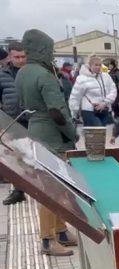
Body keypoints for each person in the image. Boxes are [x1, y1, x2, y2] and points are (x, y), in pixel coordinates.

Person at [16, 29, 79, 256]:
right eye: (50, 50)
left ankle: (61, 230)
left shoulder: (22, 73)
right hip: (52, 136)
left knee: (57, 186)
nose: (52, 55)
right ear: (42, 49)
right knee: (53, 188)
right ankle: (48, 238)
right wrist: (72, 133)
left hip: (35, 130)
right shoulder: (45, 76)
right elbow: (57, 112)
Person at [0, 41, 29, 206]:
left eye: (23, 56)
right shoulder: (2, 75)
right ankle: (19, 190)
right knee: (16, 159)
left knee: (35, 157)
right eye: (16, 56)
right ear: (10, 56)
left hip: (32, 121)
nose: (20, 60)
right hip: (12, 122)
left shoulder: (32, 72)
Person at [68, 56, 117, 127]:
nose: (98, 67)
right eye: (96, 65)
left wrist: (105, 102)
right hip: (89, 110)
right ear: (90, 65)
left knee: (103, 134)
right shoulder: (82, 78)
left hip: (104, 109)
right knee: (96, 132)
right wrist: (74, 112)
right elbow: (75, 96)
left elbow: (113, 90)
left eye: (100, 65)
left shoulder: (106, 76)